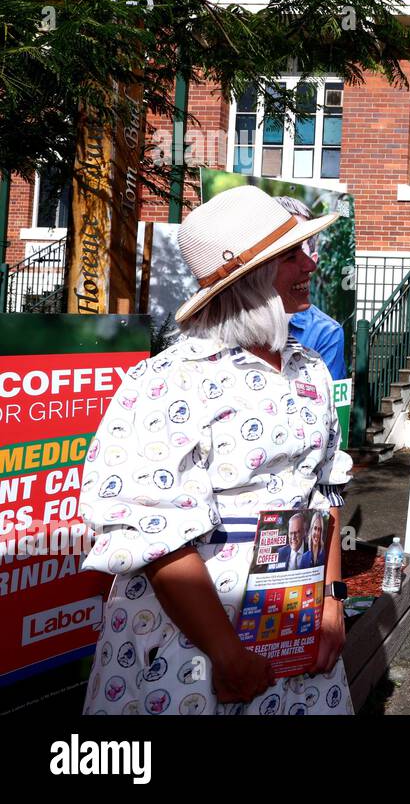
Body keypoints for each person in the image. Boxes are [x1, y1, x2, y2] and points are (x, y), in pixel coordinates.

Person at [80, 185, 352, 715]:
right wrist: (227, 654)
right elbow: (151, 530)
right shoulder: (168, 381)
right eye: (291, 255)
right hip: (195, 642)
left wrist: (331, 603)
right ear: (251, 281)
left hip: (295, 625)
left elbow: (324, 493)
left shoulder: (309, 370)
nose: (310, 264)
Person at [276, 196, 347, 381]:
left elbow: (332, 406)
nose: (306, 266)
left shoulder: (326, 332)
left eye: (299, 250)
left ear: (313, 259)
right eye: (287, 253)